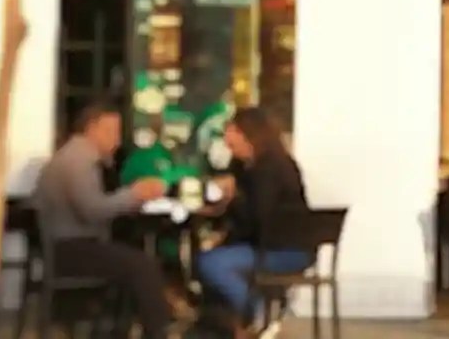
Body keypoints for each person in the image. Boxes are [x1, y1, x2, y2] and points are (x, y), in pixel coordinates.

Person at [33, 101, 174, 338]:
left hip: (65, 246)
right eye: (111, 133)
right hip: (69, 249)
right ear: (92, 129)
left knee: (132, 256)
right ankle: (158, 333)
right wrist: (135, 194)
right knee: (142, 265)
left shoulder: (74, 156)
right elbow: (93, 210)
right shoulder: (78, 161)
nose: (117, 141)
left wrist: (130, 199)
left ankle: (123, 328)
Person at [195, 108, 314, 338]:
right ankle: (243, 318)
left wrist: (232, 200)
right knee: (212, 259)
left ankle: (257, 311)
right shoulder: (245, 166)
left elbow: (259, 218)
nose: (227, 141)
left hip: (282, 248)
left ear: (249, 135)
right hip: (271, 244)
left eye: (232, 133)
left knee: (211, 263)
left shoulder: (270, 168)